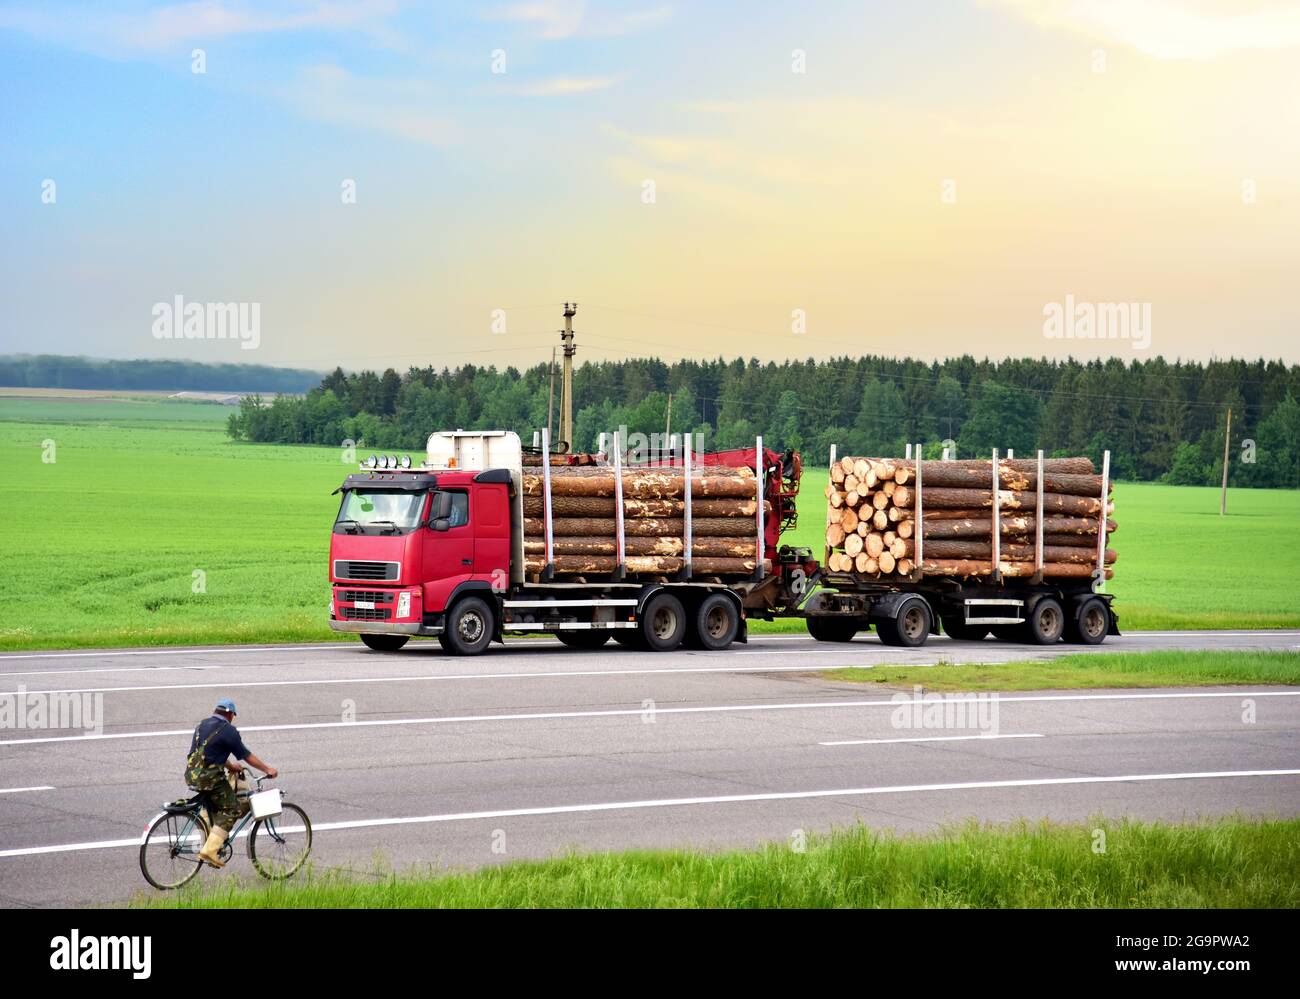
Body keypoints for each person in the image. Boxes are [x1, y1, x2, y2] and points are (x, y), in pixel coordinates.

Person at [185, 698, 278, 868]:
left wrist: (230, 765)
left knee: (213, 805)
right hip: (210, 778)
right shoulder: (229, 731)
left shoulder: (202, 725)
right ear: (229, 714)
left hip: (192, 775)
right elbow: (246, 755)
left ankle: (208, 837)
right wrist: (267, 769)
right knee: (233, 808)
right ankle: (210, 850)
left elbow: (210, 751)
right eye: (233, 715)